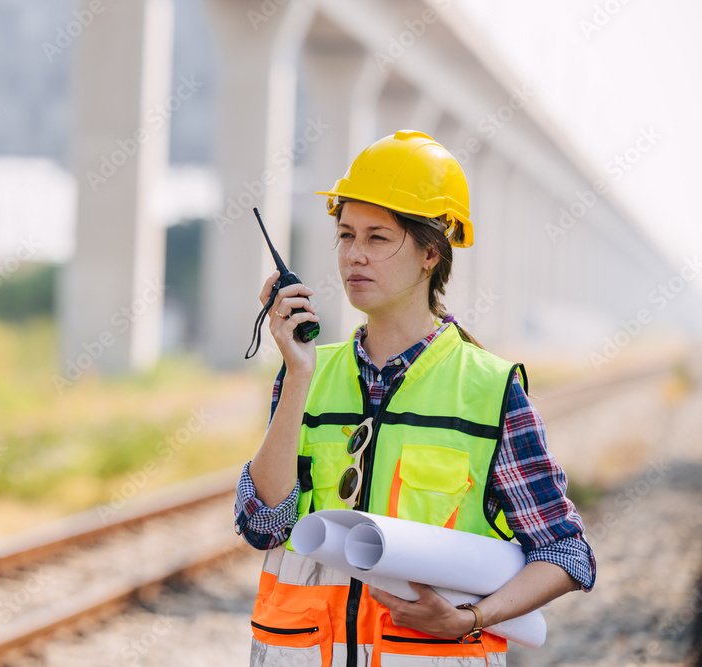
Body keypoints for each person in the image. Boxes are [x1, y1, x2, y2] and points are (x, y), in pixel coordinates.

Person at [234, 130, 595, 667]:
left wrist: (470, 619)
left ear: (431, 252)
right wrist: (298, 373)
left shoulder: (490, 390)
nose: (354, 255)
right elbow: (263, 524)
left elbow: (566, 554)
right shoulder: (307, 374)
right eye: (346, 234)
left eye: (378, 238)